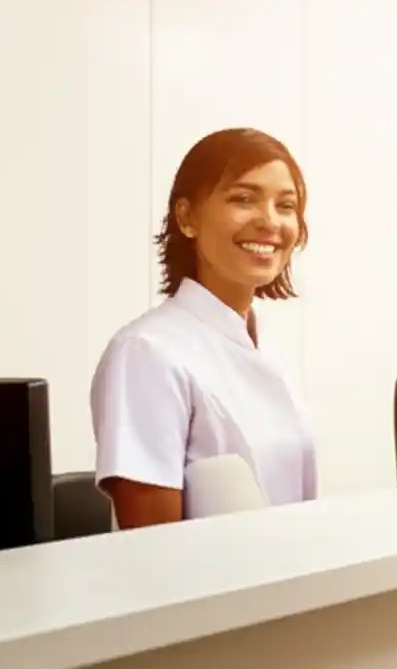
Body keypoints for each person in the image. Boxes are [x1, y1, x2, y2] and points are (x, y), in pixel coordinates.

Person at [90, 128, 318, 529]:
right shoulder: (147, 352)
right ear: (187, 217)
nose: (270, 221)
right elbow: (150, 549)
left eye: (286, 206)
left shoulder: (270, 350)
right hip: (214, 588)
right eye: (243, 199)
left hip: (292, 581)